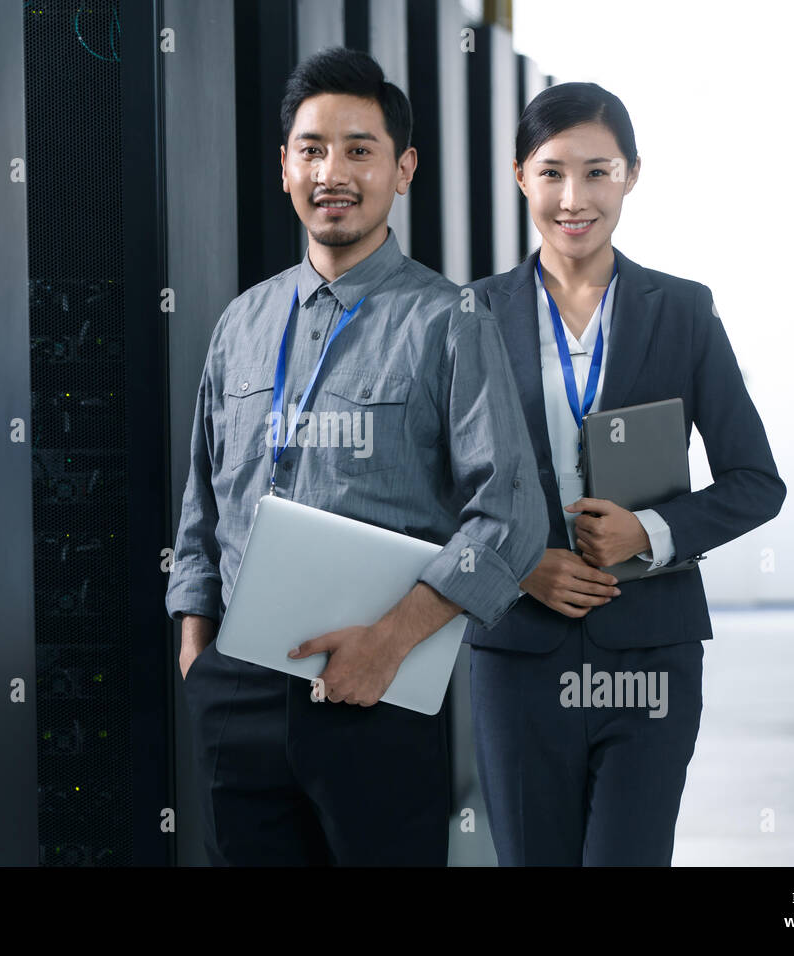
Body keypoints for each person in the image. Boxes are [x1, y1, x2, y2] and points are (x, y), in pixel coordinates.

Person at [164, 47, 547, 866]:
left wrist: (391, 640)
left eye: (359, 149)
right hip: (239, 694)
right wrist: (198, 655)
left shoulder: (452, 323)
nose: (331, 171)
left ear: (403, 168)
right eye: (311, 149)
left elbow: (511, 519)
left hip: (381, 694)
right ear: (283, 167)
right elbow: (202, 499)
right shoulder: (243, 323)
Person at [465, 81, 786, 866]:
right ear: (519, 176)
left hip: (651, 649)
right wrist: (517, 568)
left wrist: (653, 532)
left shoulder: (682, 310)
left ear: (632, 175)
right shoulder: (468, 316)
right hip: (519, 658)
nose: (574, 197)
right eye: (551, 172)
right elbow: (432, 490)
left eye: (598, 171)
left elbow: (755, 480)